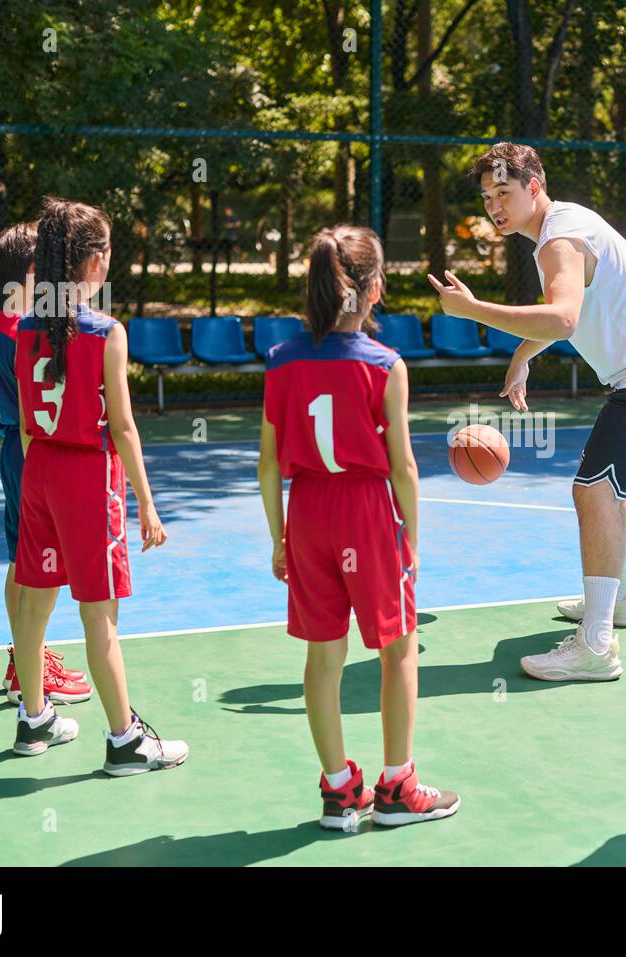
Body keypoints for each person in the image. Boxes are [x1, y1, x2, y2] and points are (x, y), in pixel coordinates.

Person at [428, 142, 626, 681]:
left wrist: (473, 311)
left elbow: (561, 318)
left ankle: (596, 647)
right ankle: (620, 600)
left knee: (592, 490)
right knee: (611, 487)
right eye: (487, 197)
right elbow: (567, 311)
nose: (495, 207)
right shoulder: (561, 229)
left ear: (534, 187)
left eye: (504, 193)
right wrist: (521, 355)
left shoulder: (558, 237)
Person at [259, 224, 459, 829]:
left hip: (309, 510)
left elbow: (268, 462)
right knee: (398, 649)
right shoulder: (385, 365)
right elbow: (402, 465)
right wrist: (413, 543)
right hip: (367, 513)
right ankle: (398, 786)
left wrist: (279, 537)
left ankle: (339, 791)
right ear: (373, 291)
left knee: (324, 657)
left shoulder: (280, 360)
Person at [10, 196, 188, 776]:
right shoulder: (107, 331)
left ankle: (34, 718)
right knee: (99, 616)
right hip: (89, 477)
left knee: (36, 604)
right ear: (92, 263)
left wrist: (39, 483)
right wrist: (147, 505)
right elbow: (124, 426)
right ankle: (125, 742)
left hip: (40, 469)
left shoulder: (25, 327)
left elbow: (27, 420)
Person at [0, 220, 91, 706]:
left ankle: (24, 659)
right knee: (33, 567)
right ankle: (30, 673)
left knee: (19, 560)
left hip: (15, 452)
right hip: (29, 457)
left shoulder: (5, 319)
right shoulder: (20, 331)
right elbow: (31, 418)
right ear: (33, 270)